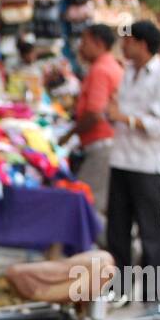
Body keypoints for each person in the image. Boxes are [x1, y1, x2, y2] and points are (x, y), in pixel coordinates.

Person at [104, 19, 160, 302]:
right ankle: (120, 290)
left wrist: (123, 117)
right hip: (121, 159)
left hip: (147, 164)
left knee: (149, 232)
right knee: (117, 230)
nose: (123, 45)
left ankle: (152, 295)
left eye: (128, 40)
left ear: (142, 44)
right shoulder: (128, 74)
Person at [59, 23, 122, 221]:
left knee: (87, 202)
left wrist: (70, 134)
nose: (80, 47)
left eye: (84, 42)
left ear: (99, 43)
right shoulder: (111, 66)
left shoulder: (101, 70)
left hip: (100, 145)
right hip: (104, 143)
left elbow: (95, 113)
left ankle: (94, 250)